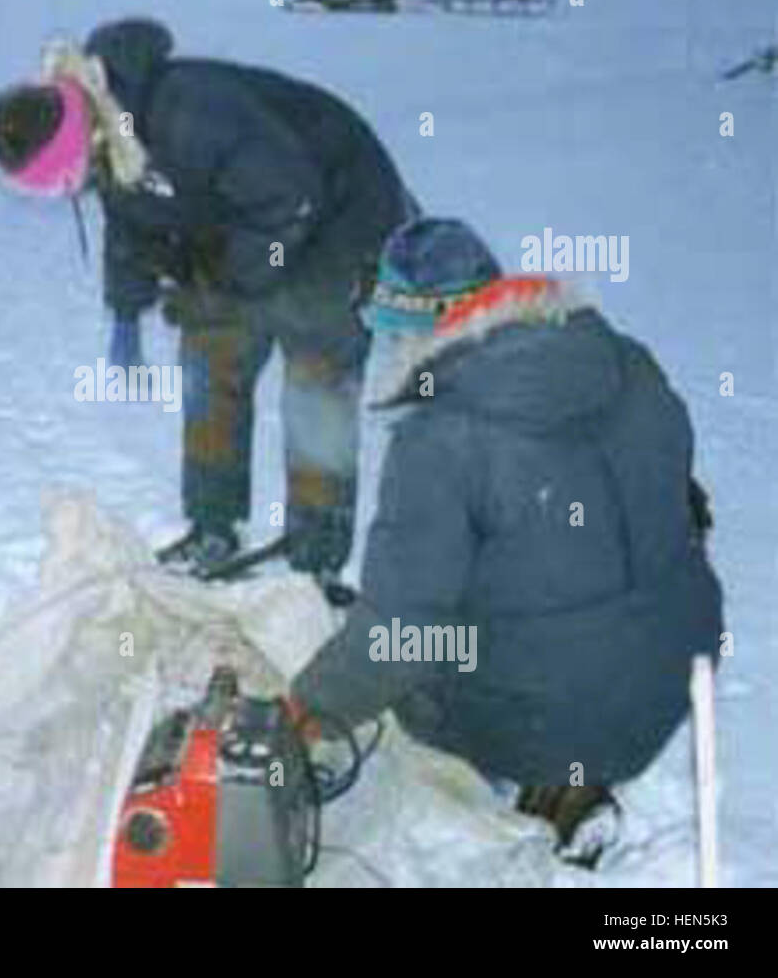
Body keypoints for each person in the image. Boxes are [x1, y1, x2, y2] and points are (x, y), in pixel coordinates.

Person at [290, 218, 723, 865]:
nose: (388, 349)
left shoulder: (439, 439)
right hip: (675, 675)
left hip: (553, 714)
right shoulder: (627, 361)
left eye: (394, 332)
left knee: (414, 672)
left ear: (426, 326)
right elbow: (685, 509)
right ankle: (576, 774)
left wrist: (309, 708)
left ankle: (529, 783)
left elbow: (401, 634)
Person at [0, 18, 416, 589]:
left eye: (61, 179)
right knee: (209, 356)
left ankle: (316, 547)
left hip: (336, 210)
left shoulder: (190, 113)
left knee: (317, 371)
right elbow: (131, 225)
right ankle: (214, 525)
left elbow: (293, 199)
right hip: (247, 223)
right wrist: (126, 311)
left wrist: (235, 275)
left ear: (79, 139)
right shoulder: (110, 135)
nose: (67, 192)